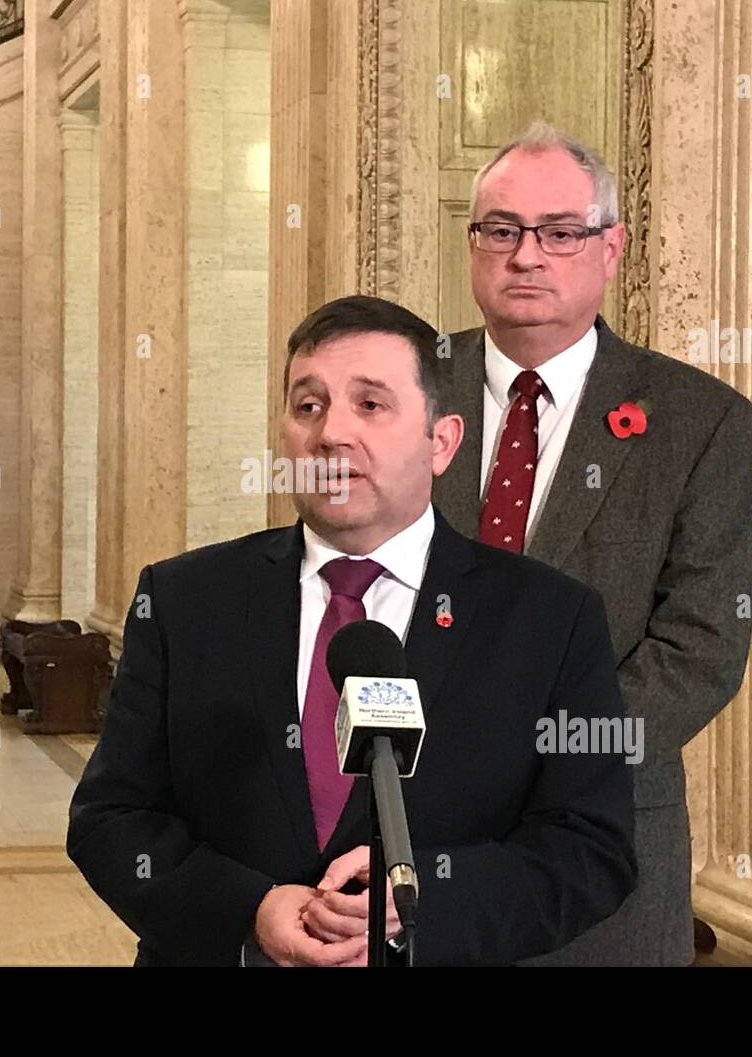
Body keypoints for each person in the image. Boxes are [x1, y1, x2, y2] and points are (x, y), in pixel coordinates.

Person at [68, 294, 637, 966]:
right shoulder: (185, 599)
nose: (332, 432)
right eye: (308, 405)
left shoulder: (548, 618)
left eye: (370, 404)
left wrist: (426, 899)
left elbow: (587, 848)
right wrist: (248, 908)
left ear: (442, 440)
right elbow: (110, 818)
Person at [433, 121, 752, 965]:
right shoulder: (401, 387)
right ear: (474, 245)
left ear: (610, 248)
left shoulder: (700, 420)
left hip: (602, 844)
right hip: (408, 832)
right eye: (500, 230)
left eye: (560, 232)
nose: (526, 256)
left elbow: (702, 647)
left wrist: (541, 747)